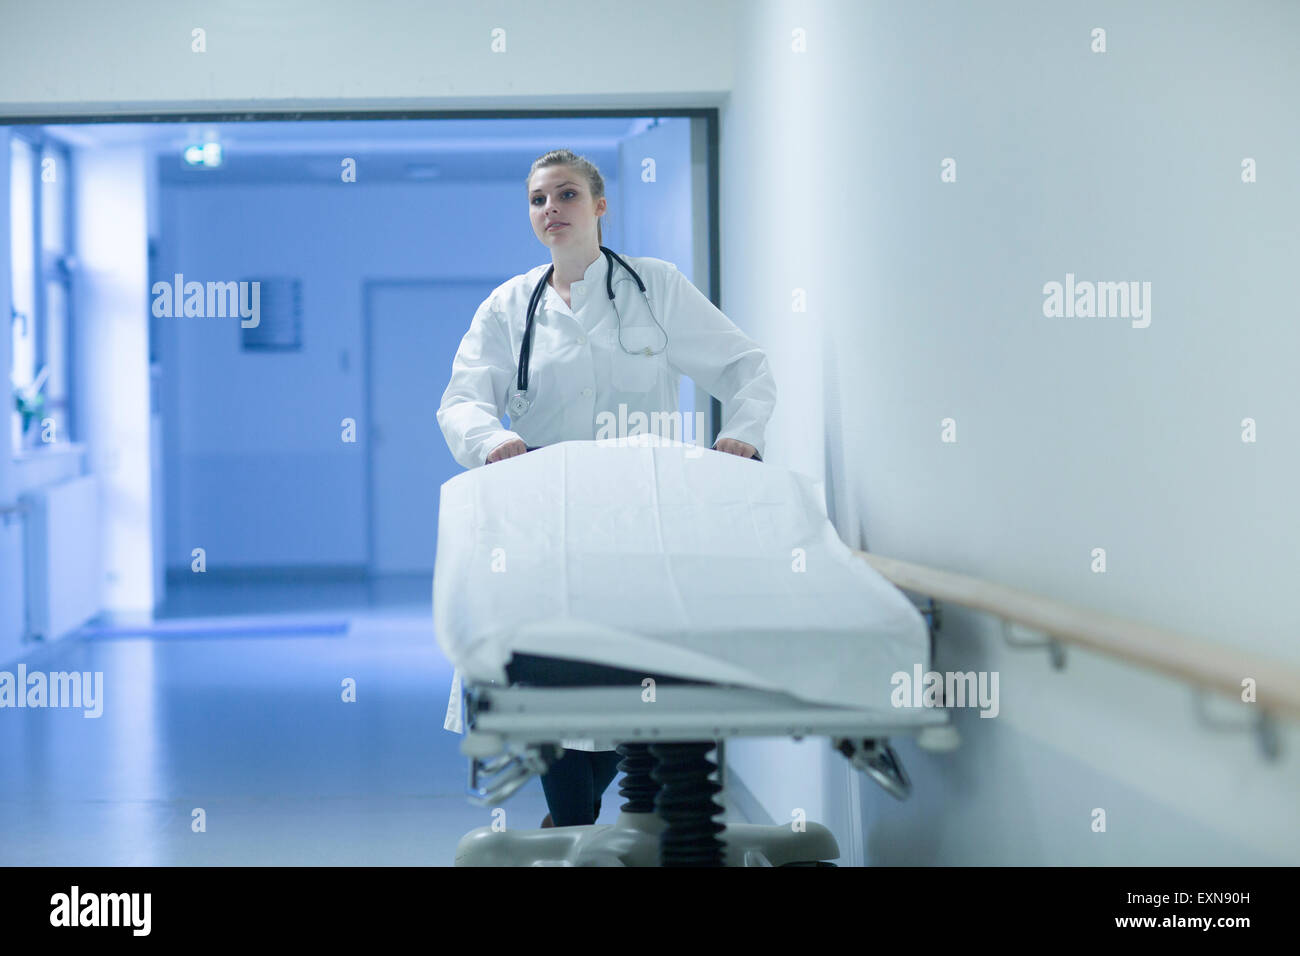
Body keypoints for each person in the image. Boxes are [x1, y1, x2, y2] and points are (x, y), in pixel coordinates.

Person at [436, 148, 777, 827]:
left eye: (565, 195)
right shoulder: (510, 306)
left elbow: (745, 367)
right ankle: (571, 829)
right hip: (545, 526)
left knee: (630, 694)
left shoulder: (657, 287)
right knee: (549, 689)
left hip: (640, 525)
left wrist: (742, 435)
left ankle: (578, 827)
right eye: (538, 200)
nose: (550, 210)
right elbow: (462, 400)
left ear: (599, 206)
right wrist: (492, 441)